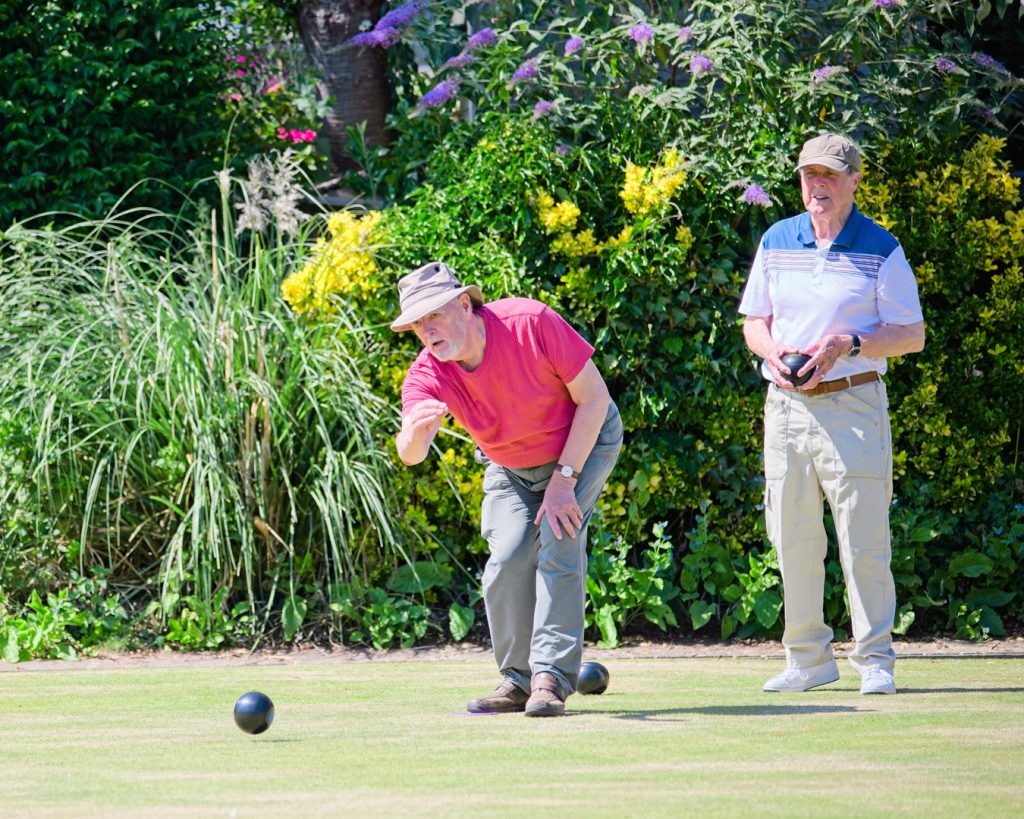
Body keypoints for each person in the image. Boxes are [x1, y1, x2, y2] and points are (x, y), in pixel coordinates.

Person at [391, 262, 623, 717]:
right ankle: (517, 681)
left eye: (433, 315)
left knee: (560, 540)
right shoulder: (428, 371)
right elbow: (409, 452)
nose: (427, 330)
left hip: (585, 441)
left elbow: (594, 399)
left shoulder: (529, 322)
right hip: (510, 466)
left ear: (464, 303)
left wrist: (565, 479)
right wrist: (416, 435)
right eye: (417, 323)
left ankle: (550, 679)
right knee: (508, 558)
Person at [738, 134, 925, 695]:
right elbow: (754, 322)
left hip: (854, 403)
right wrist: (776, 356)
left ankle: (875, 661)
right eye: (808, 175)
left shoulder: (881, 247)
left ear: (854, 180)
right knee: (791, 536)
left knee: (863, 537)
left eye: (829, 175)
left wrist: (848, 343)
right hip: (787, 407)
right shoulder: (777, 239)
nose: (817, 185)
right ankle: (809, 659)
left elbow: (911, 335)